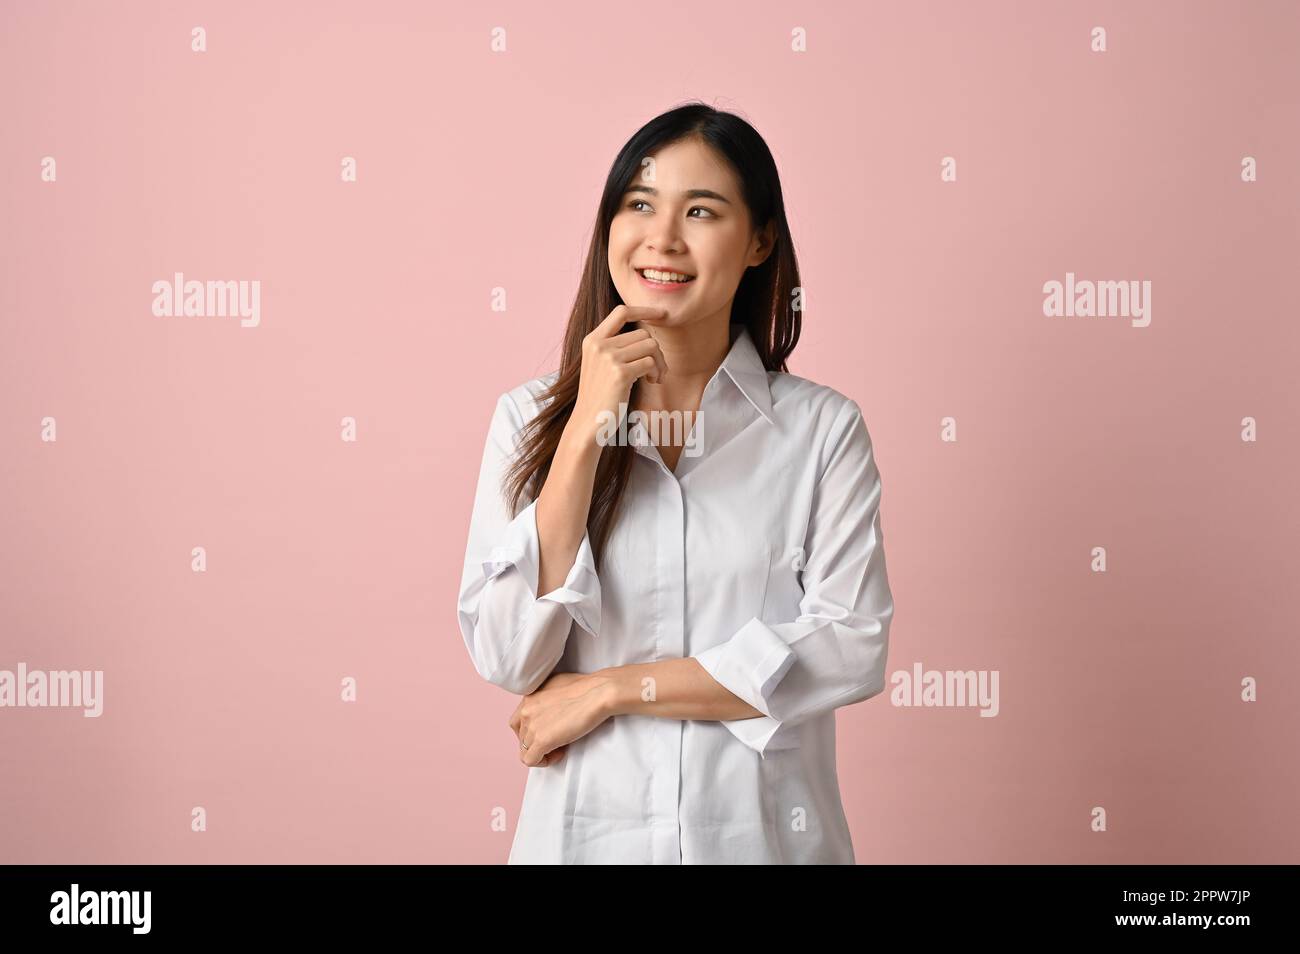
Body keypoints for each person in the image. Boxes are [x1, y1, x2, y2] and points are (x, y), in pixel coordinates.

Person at [456, 102, 895, 864]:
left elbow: (849, 644)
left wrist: (612, 689)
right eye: (639, 204)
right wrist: (584, 436)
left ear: (760, 240)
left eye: (701, 210)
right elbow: (508, 656)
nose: (662, 238)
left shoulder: (822, 433)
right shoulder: (527, 419)